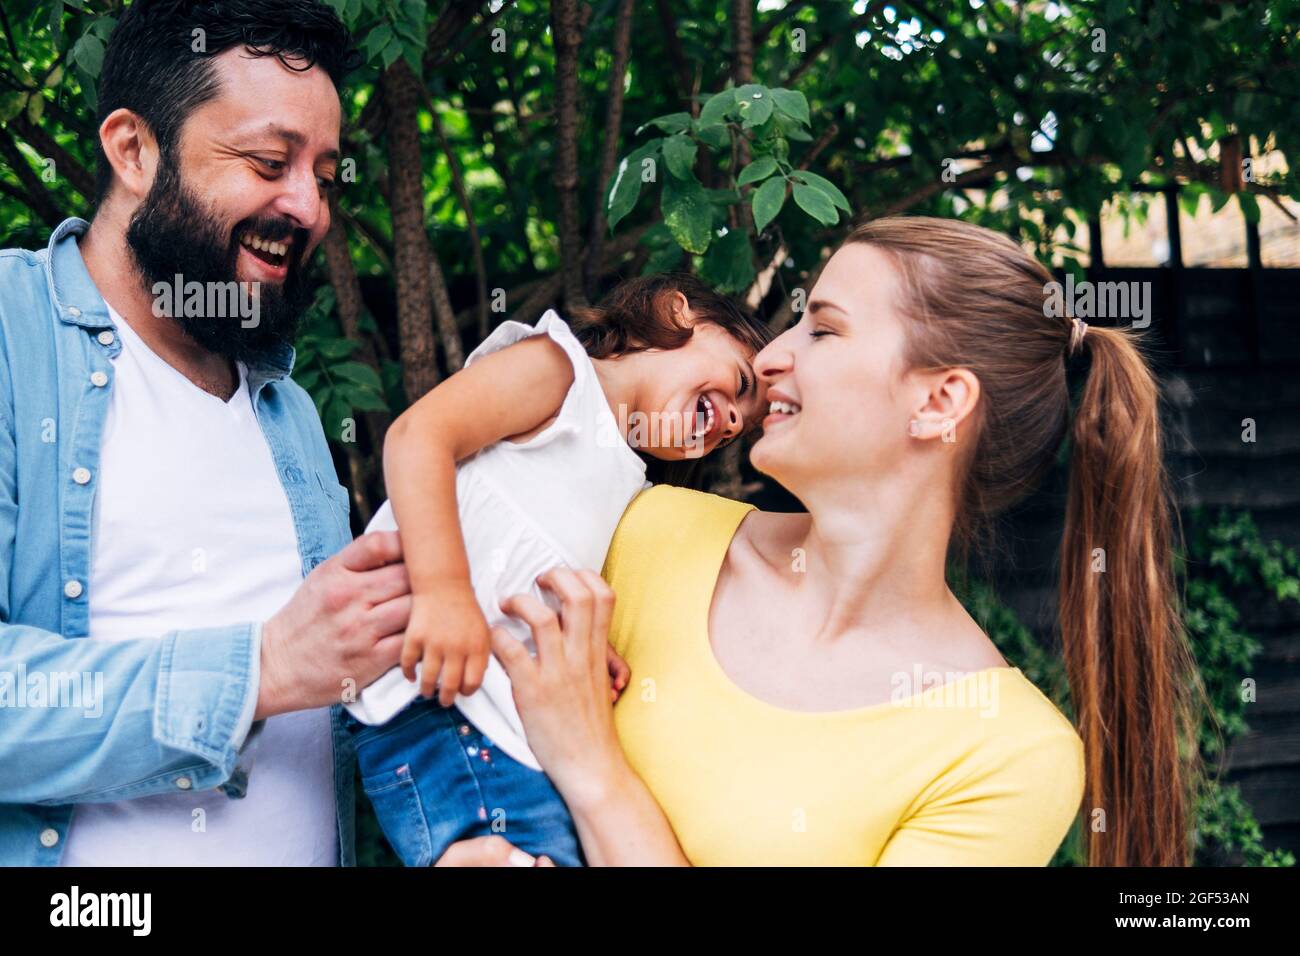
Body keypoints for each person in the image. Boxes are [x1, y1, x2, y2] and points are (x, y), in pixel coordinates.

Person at [438, 216, 1200, 867]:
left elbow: (572, 762)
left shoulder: (1005, 756)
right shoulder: (642, 533)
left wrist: (590, 765)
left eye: (825, 329)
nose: (769, 359)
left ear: (939, 401)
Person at [0, 0, 410, 866]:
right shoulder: (11, 337)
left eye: (326, 178)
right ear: (133, 150)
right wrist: (256, 671)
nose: (308, 208)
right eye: (269, 161)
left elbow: (339, 696)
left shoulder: (287, 409)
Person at [345, 275, 771, 867]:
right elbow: (419, 437)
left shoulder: (626, 480)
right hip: (441, 701)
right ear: (679, 312)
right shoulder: (561, 372)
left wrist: (583, 647)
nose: (727, 422)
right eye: (739, 385)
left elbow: (533, 562)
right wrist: (443, 595)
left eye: (738, 429)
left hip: (496, 721)